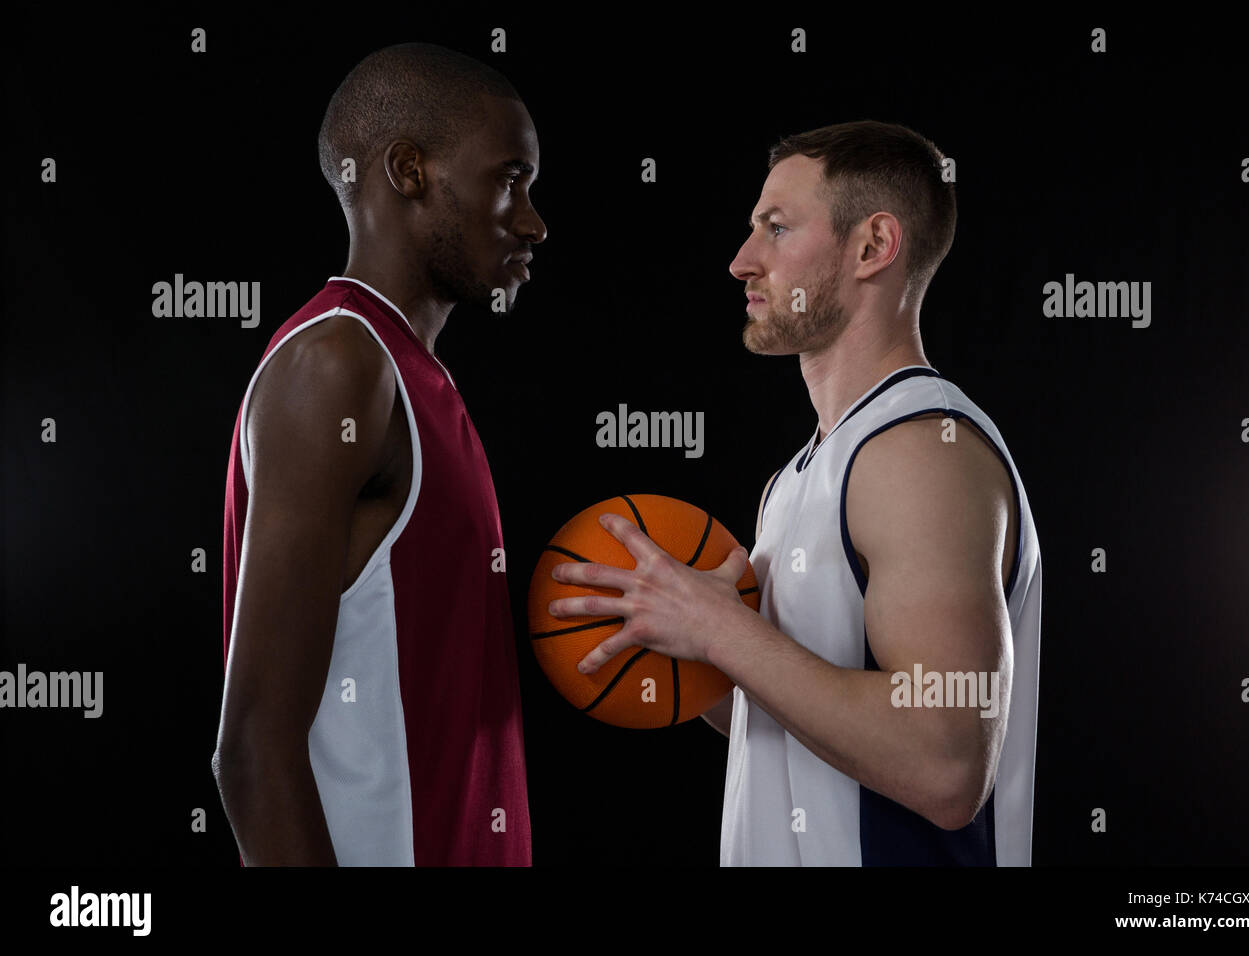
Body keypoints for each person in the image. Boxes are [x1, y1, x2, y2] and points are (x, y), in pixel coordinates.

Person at [548, 120, 1041, 865]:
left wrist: (720, 630)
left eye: (776, 229)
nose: (742, 261)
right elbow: (793, 713)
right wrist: (672, 636)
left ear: (873, 246)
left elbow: (945, 764)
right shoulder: (799, 475)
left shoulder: (920, 453)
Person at [212, 42, 546, 866]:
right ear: (408, 171)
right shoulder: (339, 365)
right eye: (512, 180)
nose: (535, 221)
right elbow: (252, 752)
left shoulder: (411, 373)